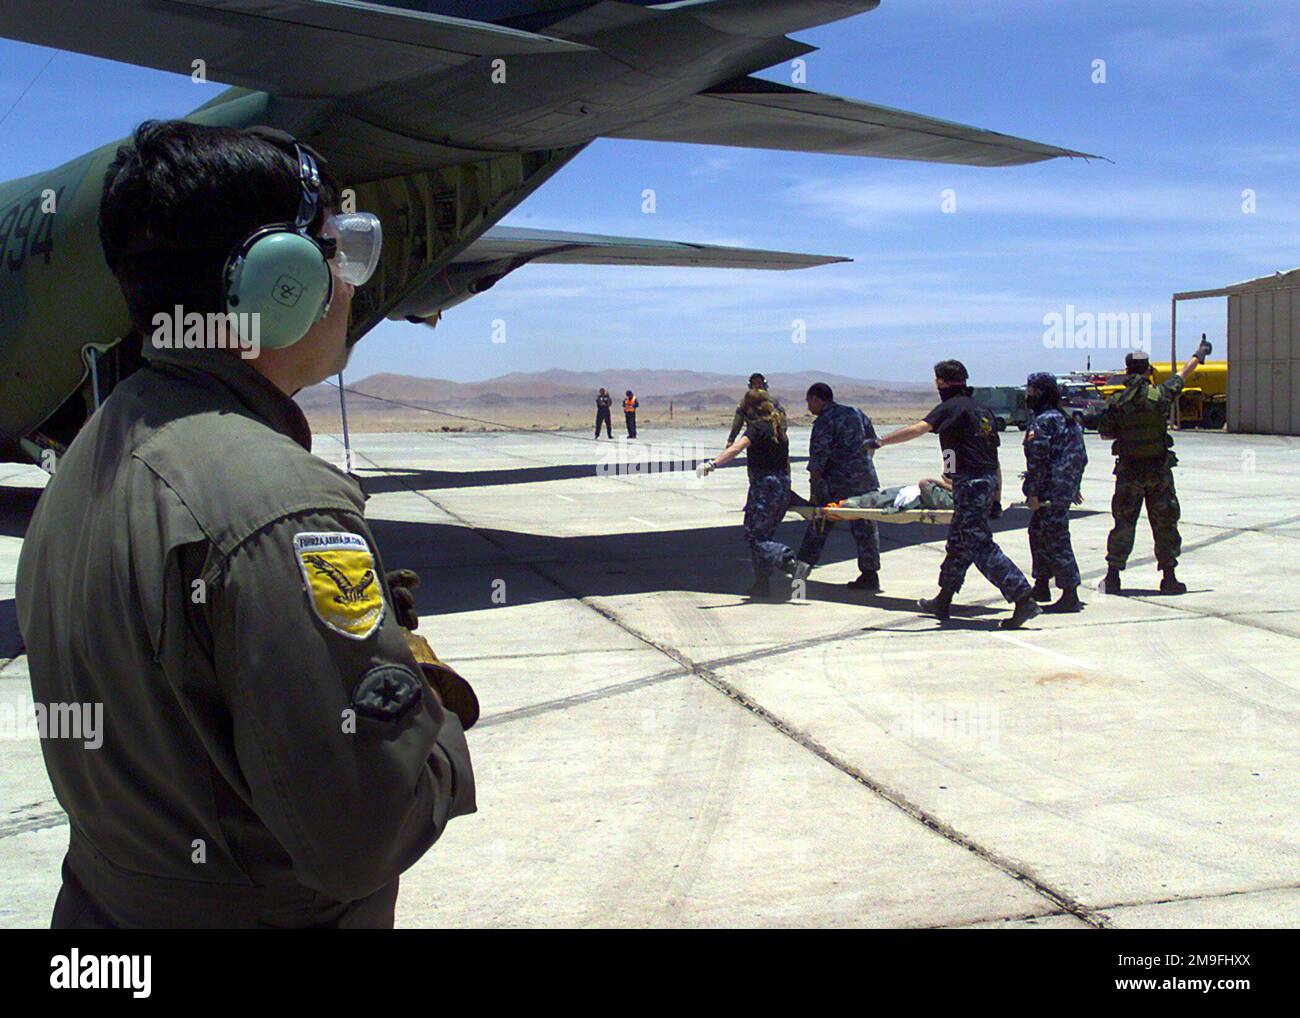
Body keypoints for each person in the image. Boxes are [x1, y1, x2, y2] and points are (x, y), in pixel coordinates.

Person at [14, 120, 475, 928]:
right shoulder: (279, 505)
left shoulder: (94, 448)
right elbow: (365, 835)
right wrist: (433, 710)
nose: (350, 285)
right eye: (336, 253)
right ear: (277, 280)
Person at [876, 359, 1039, 629]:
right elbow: (992, 458)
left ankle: (1023, 598)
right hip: (983, 482)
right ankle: (943, 599)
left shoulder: (951, 407)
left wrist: (880, 442)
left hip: (971, 484)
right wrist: (996, 496)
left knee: (979, 545)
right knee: (959, 543)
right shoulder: (982, 411)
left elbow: (918, 429)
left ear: (941, 382)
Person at [1098, 340, 1211, 594]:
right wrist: (1199, 353)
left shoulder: (1117, 402)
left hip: (1129, 473)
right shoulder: (1161, 395)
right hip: (1158, 472)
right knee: (1164, 523)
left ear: (1127, 372)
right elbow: (1181, 376)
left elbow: (1105, 432)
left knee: (1123, 523)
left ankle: (1113, 578)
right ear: (1149, 370)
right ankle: (1169, 578)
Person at [698, 389, 797, 598]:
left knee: (754, 536)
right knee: (764, 536)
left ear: (751, 408)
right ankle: (762, 584)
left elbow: (736, 449)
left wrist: (713, 464)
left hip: (764, 487)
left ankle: (786, 558)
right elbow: (786, 461)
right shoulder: (778, 429)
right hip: (781, 485)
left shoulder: (757, 427)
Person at [792, 382, 882, 591]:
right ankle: (870, 575)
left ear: (817, 399)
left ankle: (799, 576)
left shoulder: (824, 421)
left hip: (837, 484)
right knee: (865, 527)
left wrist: (815, 492)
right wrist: (862, 464)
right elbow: (873, 443)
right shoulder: (856, 413)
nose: (808, 407)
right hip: (864, 480)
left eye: (808, 402)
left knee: (819, 525)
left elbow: (817, 460)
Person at [1022, 372, 1088, 613]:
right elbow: (1080, 456)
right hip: (1062, 487)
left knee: (1056, 538)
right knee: (1038, 532)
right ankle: (1041, 585)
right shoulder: (1067, 419)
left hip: (1049, 489)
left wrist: (1033, 493)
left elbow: (1038, 460)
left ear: (1039, 392)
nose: (1028, 395)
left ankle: (1070, 593)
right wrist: (1073, 485)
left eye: (1030, 391)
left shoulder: (1043, 421)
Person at [727, 372, 783, 444]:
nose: (757, 386)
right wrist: (731, 440)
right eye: (754, 384)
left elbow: (782, 422)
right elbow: (737, 423)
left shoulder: (773, 403)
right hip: (754, 440)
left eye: (759, 383)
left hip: (774, 441)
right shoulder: (744, 404)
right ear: (750, 386)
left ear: (764, 385)